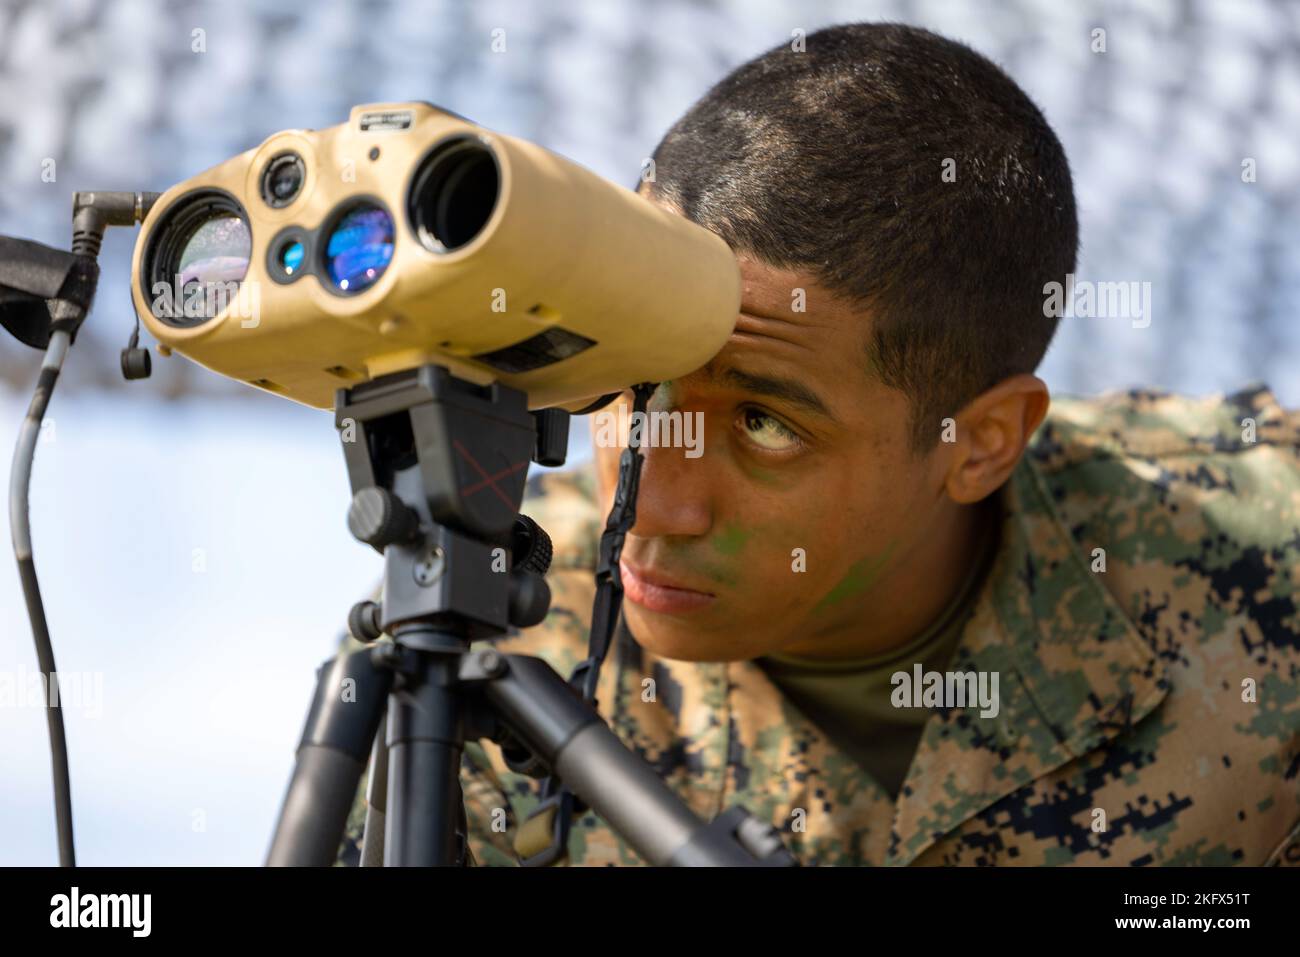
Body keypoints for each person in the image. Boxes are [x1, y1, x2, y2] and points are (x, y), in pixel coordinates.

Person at [337, 22, 1300, 867]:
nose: (655, 508)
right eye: (633, 387)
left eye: (764, 424)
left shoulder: (1267, 564)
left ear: (981, 441)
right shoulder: (478, 635)